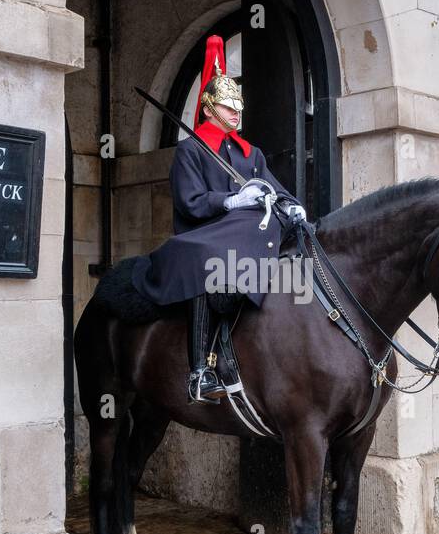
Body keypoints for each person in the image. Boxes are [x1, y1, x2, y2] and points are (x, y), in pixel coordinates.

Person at [130, 35, 307, 403]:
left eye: (238, 107)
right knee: (202, 259)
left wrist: (291, 205)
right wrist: (232, 201)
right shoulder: (190, 150)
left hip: (248, 236)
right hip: (204, 233)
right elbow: (190, 202)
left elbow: (275, 189)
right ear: (209, 109)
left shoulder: (251, 153)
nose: (236, 113)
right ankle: (199, 372)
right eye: (228, 107)